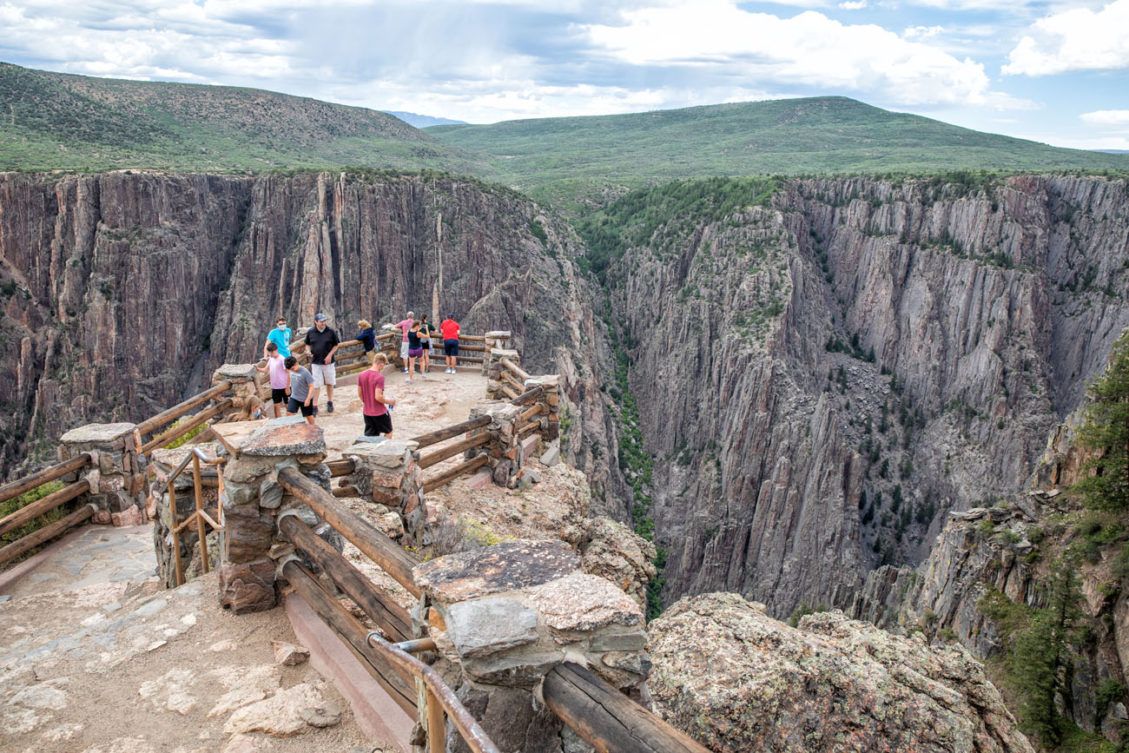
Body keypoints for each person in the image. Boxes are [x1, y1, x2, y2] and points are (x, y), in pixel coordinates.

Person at [305, 312, 340, 413]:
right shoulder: (311, 332)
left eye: (324, 321)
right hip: (315, 362)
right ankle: (315, 406)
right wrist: (307, 351)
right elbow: (307, 344)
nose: (323, 323)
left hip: (329, 362)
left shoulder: (331, 331)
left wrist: (329, 355)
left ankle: (330, 402)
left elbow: (336, 345)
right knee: (316, 384)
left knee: (330, 383)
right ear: (316, 322)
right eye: (321, 321)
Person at [358, 353, 396, 439]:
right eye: (384, 365)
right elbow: (378, 397)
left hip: (367, 412)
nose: (383, 367)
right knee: (388, 432)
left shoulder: (361, 375)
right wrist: (390, 401)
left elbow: (360, 393)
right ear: (381, 363)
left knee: (370, 437)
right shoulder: (379, 377)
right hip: (379, 412)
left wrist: (368, 402)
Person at [256, 342, 289, 418]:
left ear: (276, 350)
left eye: (272, 352)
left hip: (284, 386)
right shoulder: (271, 359)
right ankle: (279, 422)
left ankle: (291, 420)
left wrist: (287, 386)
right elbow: (265, 369)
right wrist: (257, 368)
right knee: (276, 406)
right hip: (275, 387)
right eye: (269, 352)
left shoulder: (282, 359)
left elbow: (288, 373)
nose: (270, 354)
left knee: (287, 405)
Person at [284, 356, 318, 424]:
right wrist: (287, 387)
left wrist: (308, 399)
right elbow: (288, 376)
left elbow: (311, 386)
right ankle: (297, 427)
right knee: (289, 413)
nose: (292, 370)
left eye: (293, 368)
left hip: (305, 398)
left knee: (309, 416)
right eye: (290, 369)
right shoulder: (291, 370)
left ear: (296, 363)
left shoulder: (305, 372)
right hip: (294, 397)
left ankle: (313, 429)